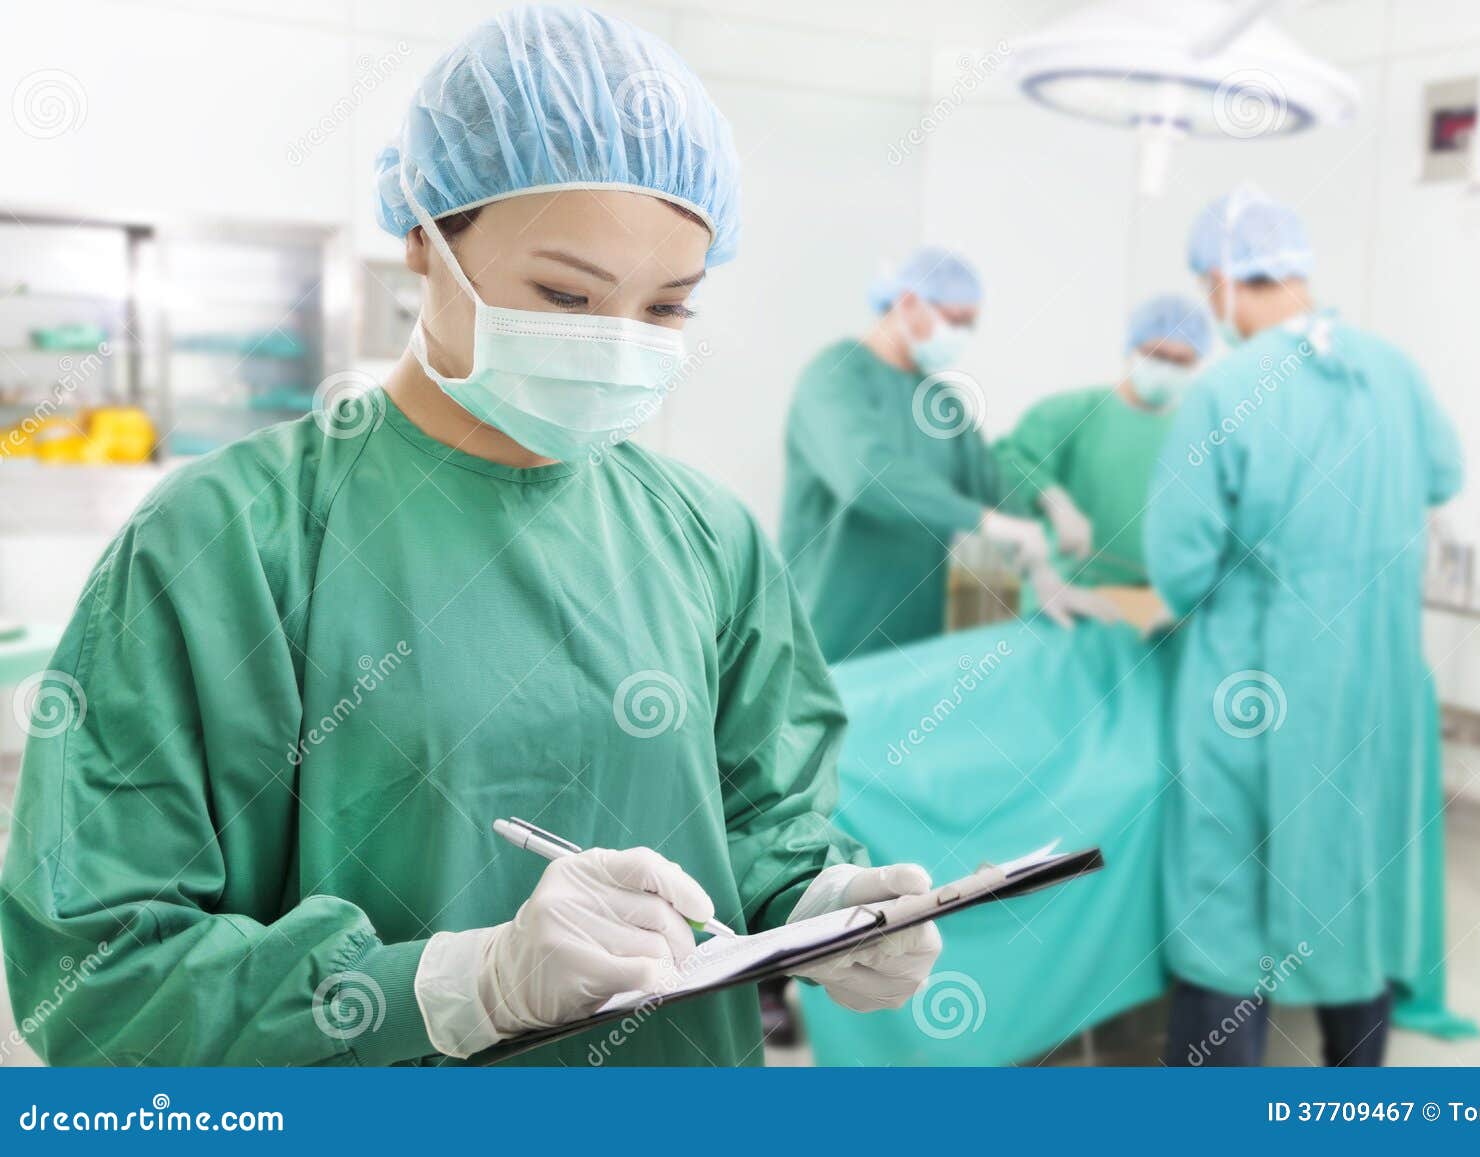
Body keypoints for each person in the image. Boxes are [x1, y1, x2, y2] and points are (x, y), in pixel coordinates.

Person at [0, 6, 941, 1067]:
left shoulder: (704, 534)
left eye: (668, 307)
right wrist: (458, 984)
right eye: (565, 294)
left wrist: (826, 904)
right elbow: (107, 976)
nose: (615, 343)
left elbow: (765, 817)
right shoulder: (225, 541)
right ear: (422, 234)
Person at [1146, 186, 1463, 1066]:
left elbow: (1178, 565)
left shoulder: (1228, 389)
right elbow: (1444, 471)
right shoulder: (1393, 369)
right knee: (1352, 876)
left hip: (1255, 693)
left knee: (1229, 899)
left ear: (1220, 280)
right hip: (1375, 689)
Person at [779, 248, 1051, 662]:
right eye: (954, 320)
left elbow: (992, 486)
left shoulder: (941, 403)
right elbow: (865, 475)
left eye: (969, 324)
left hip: (912, 645)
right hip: (827, 639)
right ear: (907, 303)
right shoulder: (835, 375)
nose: (960, 333)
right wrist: (984, 522)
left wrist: (1047, 538)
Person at [992, 294, 1212, 621]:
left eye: (1181, 361)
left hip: (1159, 610)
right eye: (1157, 354)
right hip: (1070, 598)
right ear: (1131, 348)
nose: (1167, 367)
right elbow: (1005, 462)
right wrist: (1053, 501)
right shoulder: (1072, 413)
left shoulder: (1201, 434)